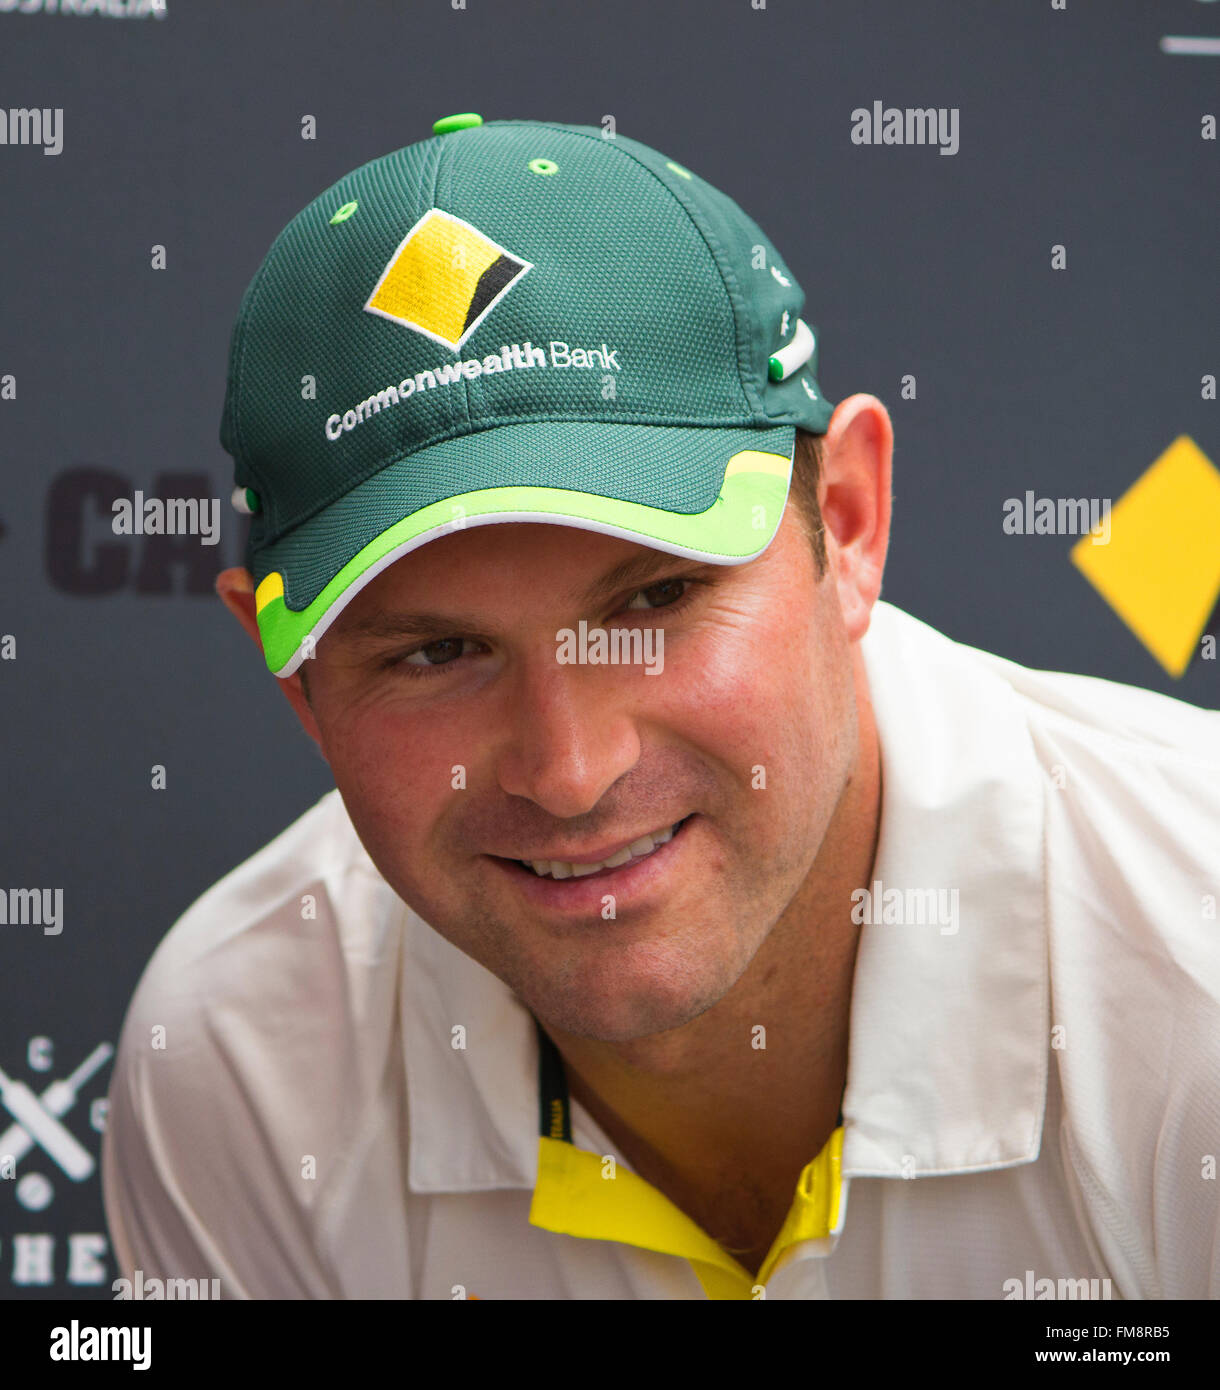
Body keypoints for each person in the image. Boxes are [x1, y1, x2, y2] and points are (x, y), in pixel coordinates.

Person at [102, 115, 1220, 1300]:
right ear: (300, 681)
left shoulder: (1189, 972)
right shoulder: (236, 1058)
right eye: (437, 652)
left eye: (654, 596)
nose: (569, 770)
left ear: (843, 524)